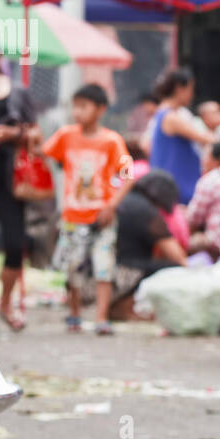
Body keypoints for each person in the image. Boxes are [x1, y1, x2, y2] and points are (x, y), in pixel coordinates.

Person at [42, 83, 133, 334]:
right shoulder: (65, 135)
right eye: (75, 106)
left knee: (104, 267)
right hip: (72, 216)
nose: (77, 112)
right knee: (73, 269)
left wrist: (111, 204)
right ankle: (74, 313)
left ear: (100, 109)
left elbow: (128, 174)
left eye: (83, 106)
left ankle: (101, 317)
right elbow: (44, 153)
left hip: (101, 216)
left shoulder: (112, 141)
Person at [0, 54, 39, 330]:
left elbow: (35, 133)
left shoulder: (18, 93)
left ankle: (5, 303)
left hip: (11, 176)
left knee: (14, 243)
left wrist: (7, 134)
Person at [110, 169, 187, 318]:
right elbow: (177, 256)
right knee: (176, 269)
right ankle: (126, 307)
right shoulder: (146, 210)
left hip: (106, 274)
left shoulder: (125, 200)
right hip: (127, 275)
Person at [147, 67, 215, 205]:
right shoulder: (171, 117)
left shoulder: (166, 114)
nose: (192, 94)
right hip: (177, 192)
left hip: (172, 189)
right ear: (179, 88)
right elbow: (205, 138)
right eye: (190, 89)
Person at [185, 140, 220, 260]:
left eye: (206, 155)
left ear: (216, 160)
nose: (202, 160)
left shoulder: (211, 179)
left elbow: (193, 219)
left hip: (216, 246)